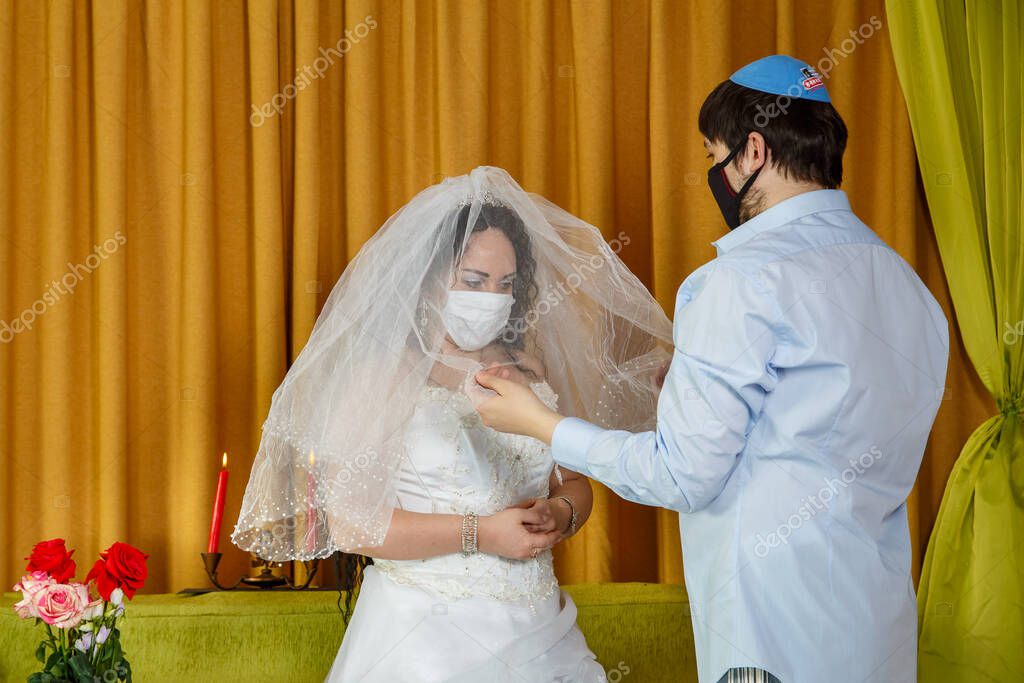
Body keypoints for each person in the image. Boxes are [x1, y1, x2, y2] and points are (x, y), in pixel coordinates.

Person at [475, 55, 950, 683]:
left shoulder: (740, 280)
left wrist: (543, 424)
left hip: (770, 631)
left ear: (752, 150)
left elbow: (681, 477)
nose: (714, 174)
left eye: (713, 155)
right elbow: (834, 433)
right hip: (876, 623)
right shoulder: (909, 287)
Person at [230, 166, 674, 682]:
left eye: (505, 283)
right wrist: (482, 534)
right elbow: (352, 523)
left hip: (540, 626)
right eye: (473, 281)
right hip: (422, 637)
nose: (491, 297)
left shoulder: (529, 368)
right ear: (427, 282)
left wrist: (561, 511)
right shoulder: (383, 375)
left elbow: (574, 480)